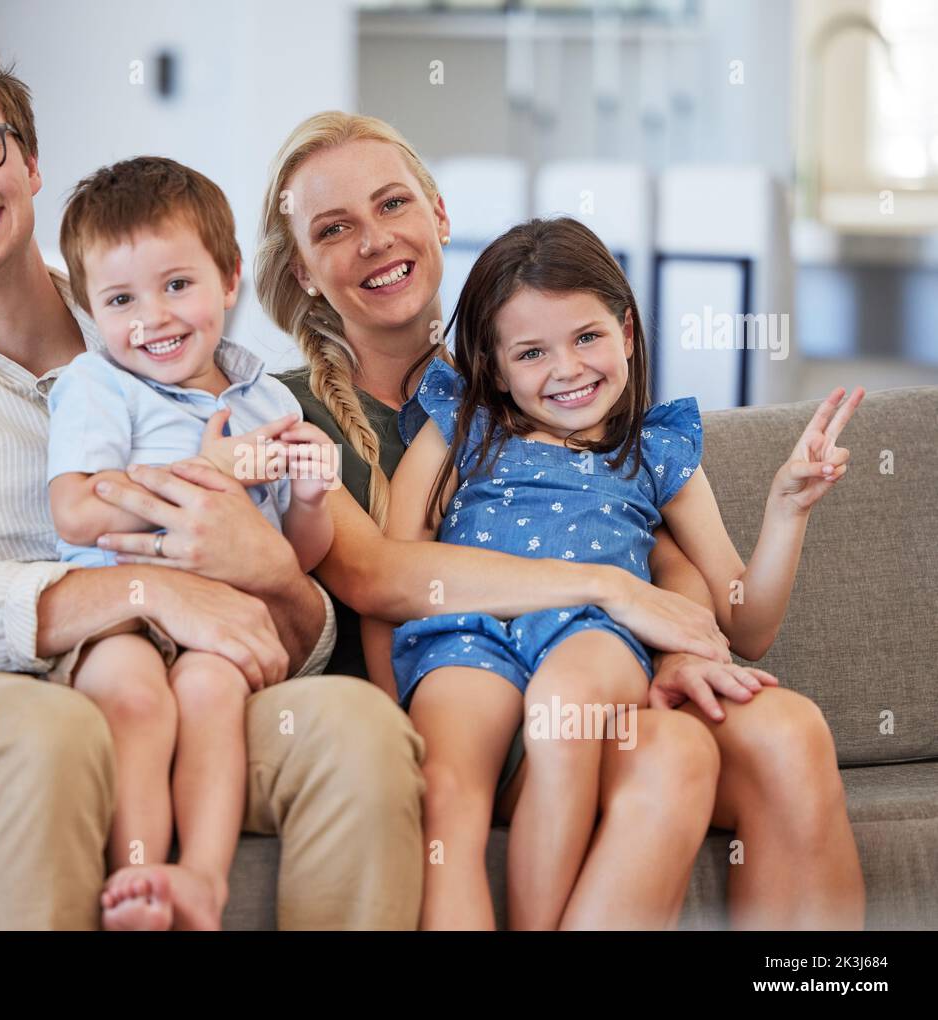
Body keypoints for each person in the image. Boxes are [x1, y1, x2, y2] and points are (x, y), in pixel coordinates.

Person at [97, 109, 865, 930]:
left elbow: (657, 541)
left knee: (788, 733)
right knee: (664, 756)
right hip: (448, 702)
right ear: (305, 271)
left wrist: (674, 643)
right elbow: (380, 574)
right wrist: (608, 591)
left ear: (438, 216)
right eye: (335, 228)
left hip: (589, 676)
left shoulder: (521, 371)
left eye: (393, 206)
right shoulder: (278, 409)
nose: (375, 240)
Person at [0, 37, 424, 931]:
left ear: (29, 162)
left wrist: (272, 575)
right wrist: (142, 589)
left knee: (358, 729)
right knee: (52, 734)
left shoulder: (156, 327)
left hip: (184, 685)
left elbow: (285, 607)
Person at [369, 215, 863, 929]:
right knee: (457, 793)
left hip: (591, 659)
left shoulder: (653, 452)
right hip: (471, 657)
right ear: (496, 365)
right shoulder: (464, 430)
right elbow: (393, 570)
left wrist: (788, 511)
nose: (568, 370)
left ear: (627, 332)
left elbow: (745, 622)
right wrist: (394, 711)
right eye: (533, 352)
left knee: (784, 729)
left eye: (588, 337)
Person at [42, 155, 337, 929]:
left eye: (178, 284)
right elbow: (76, 511)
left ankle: (200, 881)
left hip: (227, 616)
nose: (154, 318)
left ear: (230, 277)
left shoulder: (268, 396)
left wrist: (309, 497)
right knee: (135, 696)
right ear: (90, 310)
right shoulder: (98, 384)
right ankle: (138, 876)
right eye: (120, 299)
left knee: (211, 695)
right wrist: (206, 469)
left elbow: (295, 558)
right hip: (123, 606)